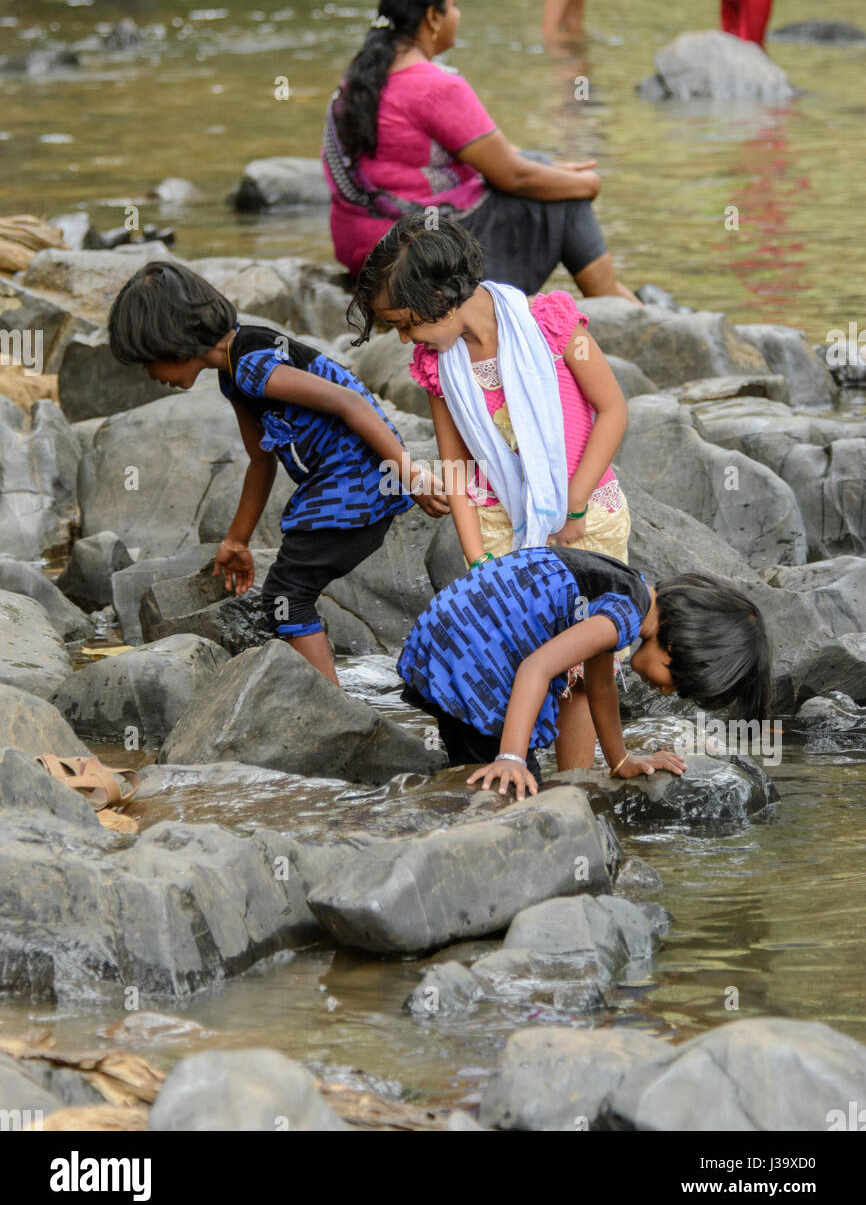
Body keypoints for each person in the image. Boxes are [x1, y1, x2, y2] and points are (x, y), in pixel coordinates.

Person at [351, 214, 631, 770]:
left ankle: (573, 792)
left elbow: (612, 409)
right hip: (500, 522)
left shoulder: (549, 324)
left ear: (441, 297)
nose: (405, 338)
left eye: (407, 324)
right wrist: (475, 552)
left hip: (589, 515)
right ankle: (514, 777)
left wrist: (573, 507)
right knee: (512, 655)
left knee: (576, 665)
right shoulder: (438, 363)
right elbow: (454, 464)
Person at [107, 262, 448, 685]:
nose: (151, 377)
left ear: (172, 344)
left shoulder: (252, 367)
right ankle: (333, 697)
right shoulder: (236, 370)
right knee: (290, 593)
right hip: (350, 486)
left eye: (147, 363)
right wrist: (237, 539)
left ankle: (331, 708)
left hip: (353, 487)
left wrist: (411, 475)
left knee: (288, 596)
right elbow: (260, 459)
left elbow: (351, 403)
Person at [321, 0, 637, 302]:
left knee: (541, 166)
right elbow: (513, 177)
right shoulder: (434, 86)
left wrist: (556, 171)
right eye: (454, 4)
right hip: (418, 264)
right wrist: (586, 185)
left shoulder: (361, 75)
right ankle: (610, 304)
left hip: (366, 253)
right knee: (563, 200)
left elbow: (494, 154)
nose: (458, 14)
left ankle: (618, 299)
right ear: (432, 17)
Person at [398, 549, 771, 799]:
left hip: (449, 636)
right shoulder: (624, 615)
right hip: (476, 655)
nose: (665, 692)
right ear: (676, 646)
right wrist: (511, 757)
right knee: (520, 794)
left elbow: (600, 685)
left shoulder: (628, 591)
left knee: (472, 768)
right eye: (677, 682)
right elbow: (536, 668)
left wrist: (621, 761)